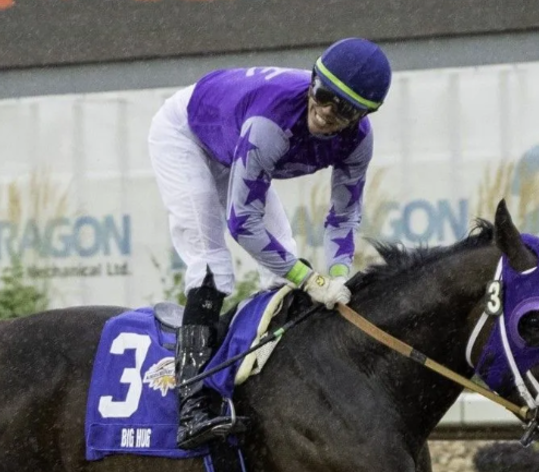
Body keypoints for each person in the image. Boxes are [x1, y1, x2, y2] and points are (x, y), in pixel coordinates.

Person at [148, 37, 392, 449]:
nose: (327, 112)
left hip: (233, 140)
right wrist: (310, 280)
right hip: (186, 134)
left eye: (345, 109)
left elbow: (343, 216)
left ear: (363, 116)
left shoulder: (358, 143)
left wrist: (336, 275)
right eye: (324, 95)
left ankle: (269, 386)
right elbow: (243, 225)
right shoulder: (272, 124)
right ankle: (192, 404)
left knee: (281, 259)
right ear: (313, 81)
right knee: (212, 265)